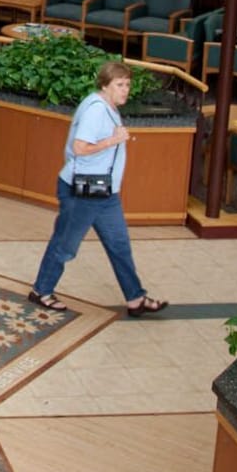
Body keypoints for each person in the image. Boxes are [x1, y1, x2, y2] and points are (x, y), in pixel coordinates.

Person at [27, 60, 168, 317]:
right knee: (66, 245)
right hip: (82, 191)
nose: (125, 89)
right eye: (120, 84)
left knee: (119, 244)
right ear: (105, 85)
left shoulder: (109, 107)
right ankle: (41, 290)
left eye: (127, 84)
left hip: (105, 192)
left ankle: (135, 298)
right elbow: (80, 147)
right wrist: (112, 140)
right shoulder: (95, 109)